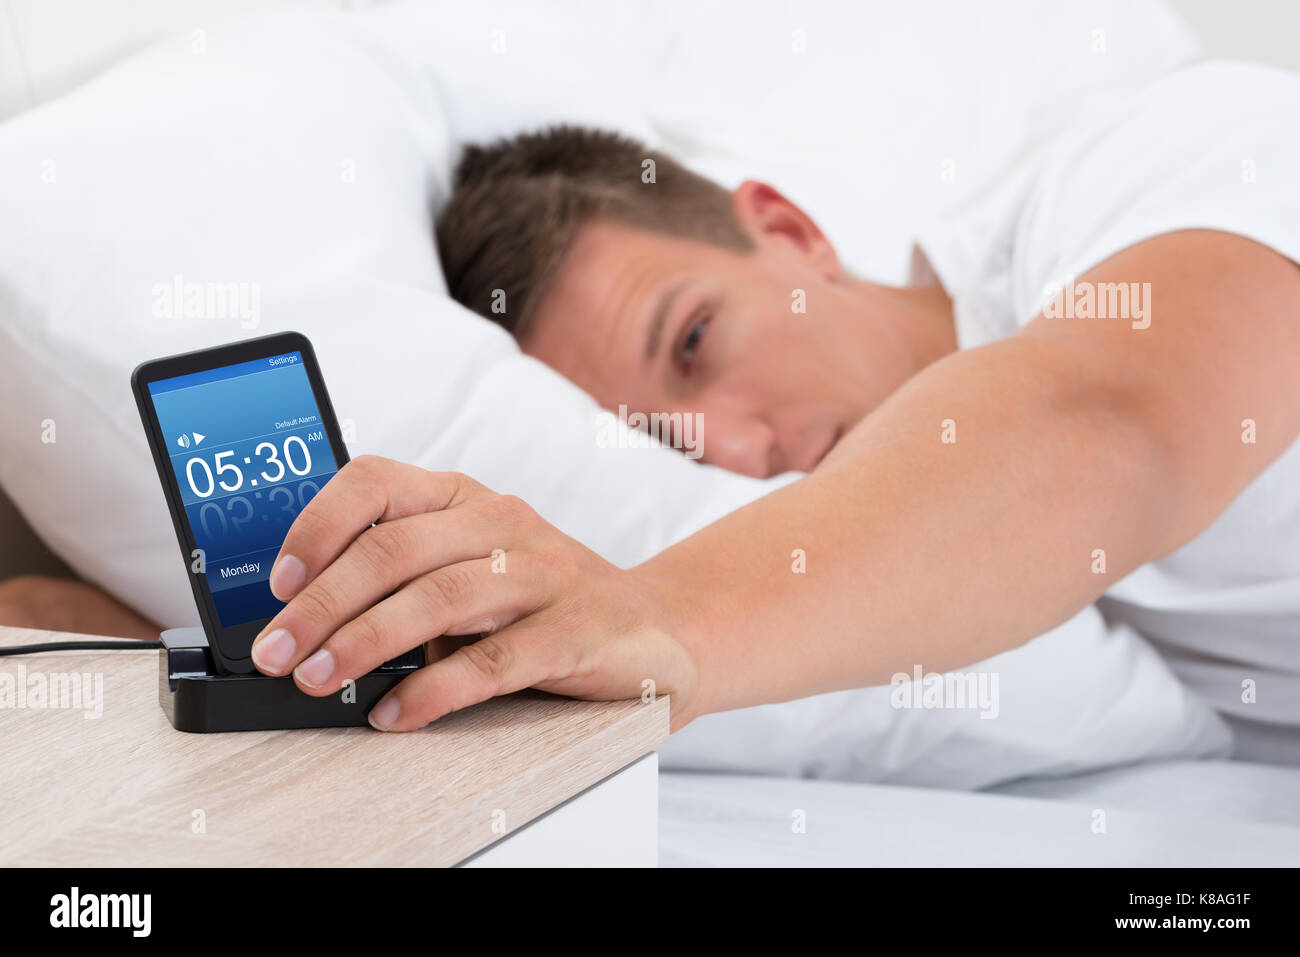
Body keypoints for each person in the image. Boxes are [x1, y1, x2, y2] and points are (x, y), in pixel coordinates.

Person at [9, 62, 1300, 754]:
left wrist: (669, 614)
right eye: (658, 441)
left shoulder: (1175, 155)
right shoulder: (964, 580)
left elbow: (1110, 427)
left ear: (785, 231)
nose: (731, 448)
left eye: (693, 340)